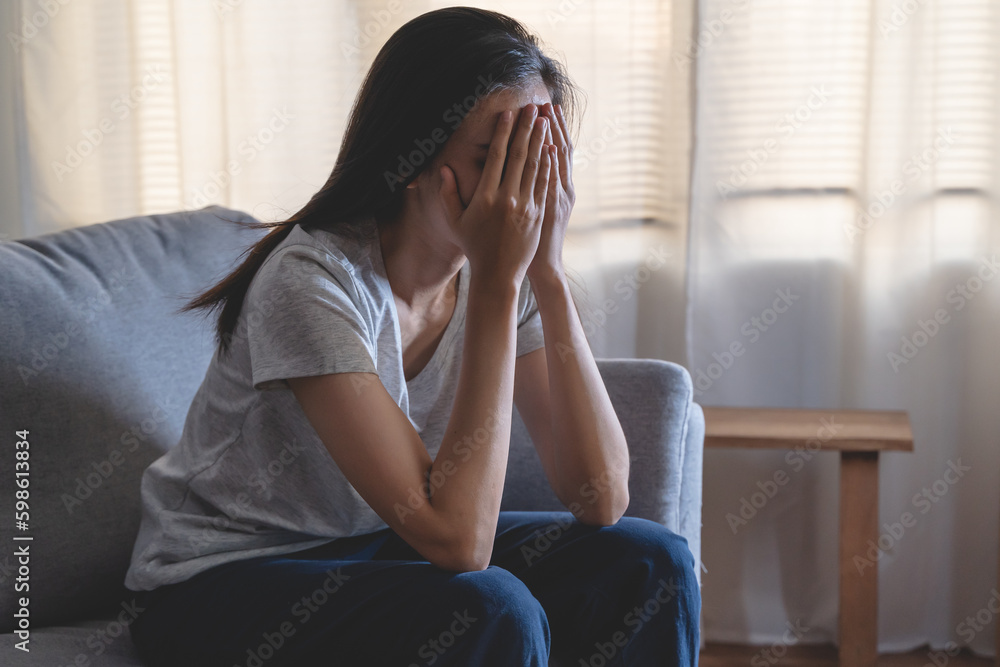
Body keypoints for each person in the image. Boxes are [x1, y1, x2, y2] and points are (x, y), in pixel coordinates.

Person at [123, 7, 700, 666]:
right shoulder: (312, 283)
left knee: (650, 562)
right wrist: (497, 284)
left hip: (371, 546)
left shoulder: (502, 277)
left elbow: (600, 497)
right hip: (217, 582)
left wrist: (549, 271)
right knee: (491, 605)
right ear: (413, 158)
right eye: (495, 159)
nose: (524, 194)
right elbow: (459, 543)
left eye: (536, 160)